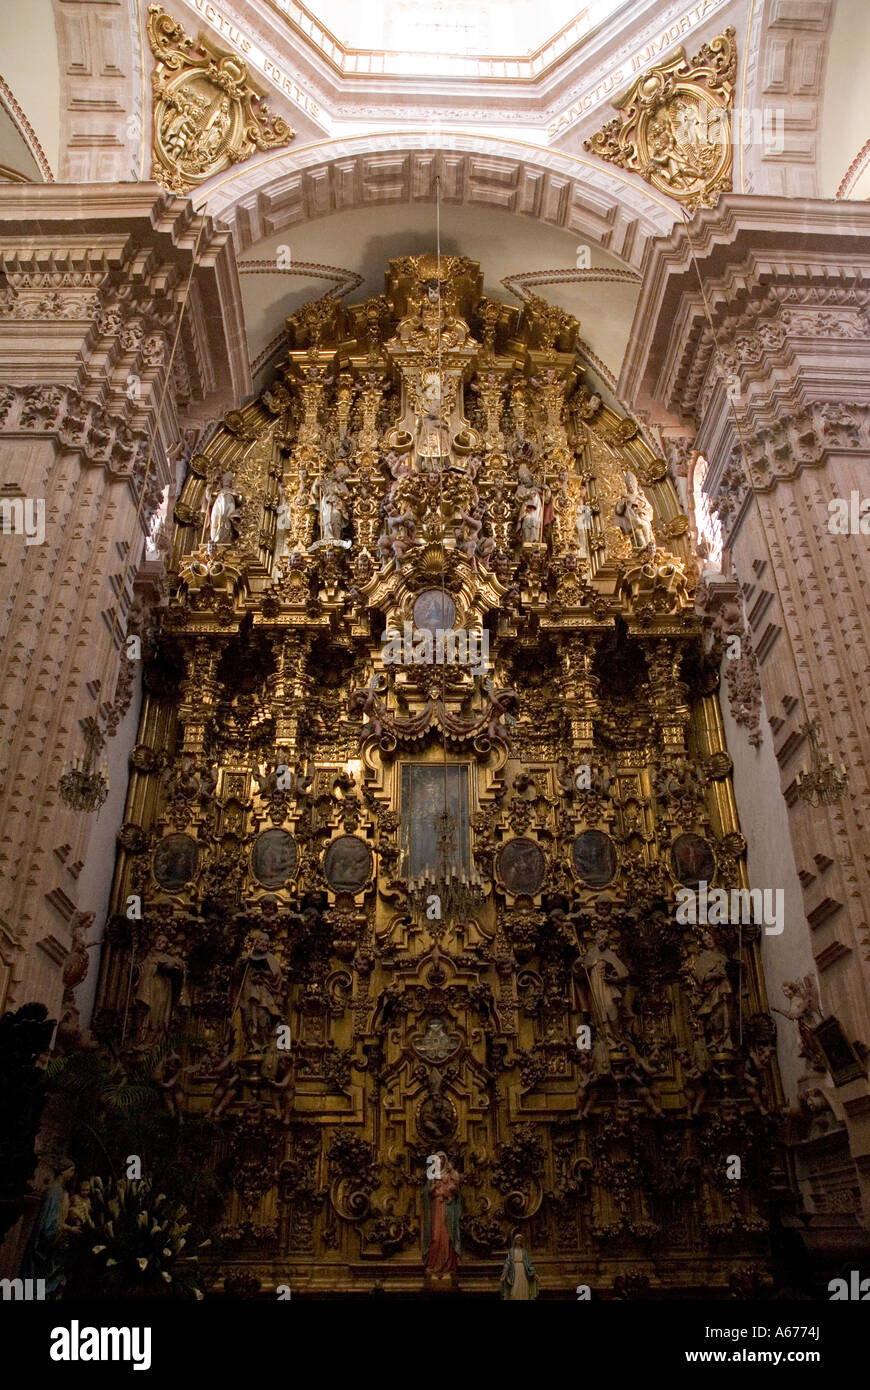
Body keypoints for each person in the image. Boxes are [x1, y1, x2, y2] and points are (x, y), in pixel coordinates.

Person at [422, 1151, 461, 1275]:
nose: (440, 1161)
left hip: (448, 1208)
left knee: (447, 1236)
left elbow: (456, 1191)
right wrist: (434, 1188)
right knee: (435, 1237)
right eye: (438, 1160)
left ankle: (448, 1265)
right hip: (436, 1208)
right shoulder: (433, 1175)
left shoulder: (451, 1174)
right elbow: (425, 1193)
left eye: (442, 1159)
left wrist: (449, 1192)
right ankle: (432, 1264)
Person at [500, 1234, 538, 1300]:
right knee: (514, 1288)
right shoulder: (511, 1251)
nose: (519, 1241)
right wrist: (505, 1272)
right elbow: (508, 1262)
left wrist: (534, 1273)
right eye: (518, 1239)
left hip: (523, 1270)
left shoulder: (524, 1251)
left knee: (524, 1287)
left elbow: (528, 1263)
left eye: (520, 1240)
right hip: (514, 1271)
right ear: (515, 1241)